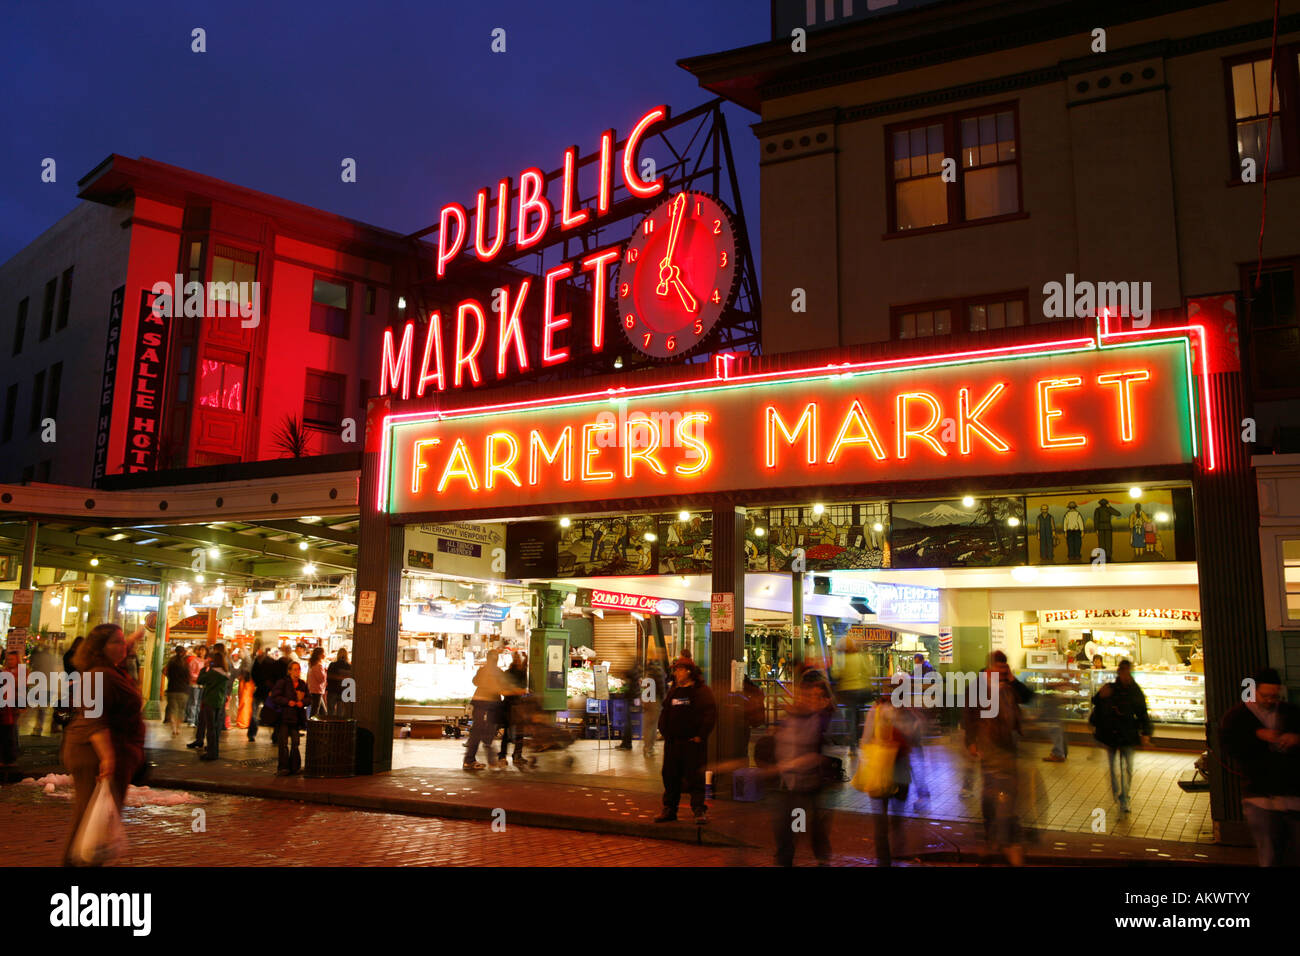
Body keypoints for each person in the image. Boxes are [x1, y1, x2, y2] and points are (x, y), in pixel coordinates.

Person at [61, 623, 146, 866]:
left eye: (123, 642)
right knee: (90, 818)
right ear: (101, 648)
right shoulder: (100, 675)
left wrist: (132, 638)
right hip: (93, 754)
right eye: (116, 642)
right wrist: (108, 757)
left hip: (115, 750)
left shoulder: (109, 669)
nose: (123, 647)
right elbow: (95, 719)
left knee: (100, 818)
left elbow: (120, 649)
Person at [1221, 668, 1300, 866]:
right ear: (1253, 691)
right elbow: (1230, 746)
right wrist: (1257, 736)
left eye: (1274, 696)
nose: (1270, 700)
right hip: (1259, 796)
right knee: (1270, 854)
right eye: (1265, 696)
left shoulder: (1290, 712)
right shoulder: (1237, 716)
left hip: (1292, 796)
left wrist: (1296, 739)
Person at [963, 651, 1033, 865]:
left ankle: (1002, 837)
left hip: (1008, 744)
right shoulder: (977, 686)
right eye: (999, 668)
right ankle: (997, 835)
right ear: (991, 666)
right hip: (989, 745)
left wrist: (1012, 679)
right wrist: (971, 741)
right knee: (993, 790)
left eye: (1005, 668)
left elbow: (1029, 698)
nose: (1002, 672)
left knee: (1005, 791)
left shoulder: (1008, 684)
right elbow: (969, 713)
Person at [772, 673, 835, 866]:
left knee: (805, 828)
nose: (811, 699)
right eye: (809, 695)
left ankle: (819, 857)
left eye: (818, 697)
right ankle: (789, 857)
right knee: (788, 830)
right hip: (791, 786)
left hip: (809, 787)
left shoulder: (822, 721)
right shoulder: (795, 717)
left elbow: (821, 755)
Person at [862, 679, 921, 866]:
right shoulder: (906, 715)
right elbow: (915, 744)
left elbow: (865, 739)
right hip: (896, 768)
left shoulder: (877, 710)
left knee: (882, 820)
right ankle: (891, 855)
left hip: (883, 768)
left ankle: (885, 859)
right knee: (894, 818)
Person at [656, 658, 717, 824]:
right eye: (675, 670)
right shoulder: (674, 691)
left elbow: (710, 715)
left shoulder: (701, 691)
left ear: (689, 671)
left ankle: (698, 810)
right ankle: (669, 809)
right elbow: (665, 713)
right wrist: (666, 733)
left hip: (692, 744)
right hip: (673, 744)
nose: (676, 673)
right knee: (670, 777)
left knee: (695, 778)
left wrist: (700, 736)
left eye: (679, 670)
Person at [1090, 659, 1152, 815]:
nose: (1124, 674)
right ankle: (1120, 796)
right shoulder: (1111, 687)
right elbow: (1095, 701)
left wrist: (1146, 732)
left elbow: (1142, 712)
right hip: (1113, 733)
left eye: (1126, 670)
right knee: (1116, 769)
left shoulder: (1134, 690)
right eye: (1122, 670)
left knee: (1126, 769)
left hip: (1126, 734)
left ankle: (1123, 798)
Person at [464, 649, 504, 771]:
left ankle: (471, 759)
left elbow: (475, 682)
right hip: (491, 703)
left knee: (478, 730)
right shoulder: (498, 672)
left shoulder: (483, 670)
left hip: (480, 702)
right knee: (487, 732)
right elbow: (502, 687)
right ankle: (473, 760)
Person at [833, 630, 871, 751]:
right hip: (860, 690)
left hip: (846, 692)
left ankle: (852, 743)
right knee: (856, 715)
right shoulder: (859, 657)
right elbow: (868, 671)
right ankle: (855, 740)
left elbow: (836, 674)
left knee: (850, 715)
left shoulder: (842, 659)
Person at [270, 660, 309, 775]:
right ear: (290, 671)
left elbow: (308, 698)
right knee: (283, 742)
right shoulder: (283, 682)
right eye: (295, 669)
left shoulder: (302, 684)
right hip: (284, 716)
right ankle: (283, 767)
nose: (298, 671)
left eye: (299, 669)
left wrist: (303, 702)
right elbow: (275, 697)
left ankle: (295, 766)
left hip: (296, 717)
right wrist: (287, 702)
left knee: (295, 742)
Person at [195, 647, 230, 761]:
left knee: (210, 728)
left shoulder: (213, 672)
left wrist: (204, 669)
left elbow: (200, 680)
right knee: (215, 727)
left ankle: (211, 753)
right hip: (219, 702)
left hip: (210, 701)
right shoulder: (225, 673)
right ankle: (214, 751)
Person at [498, 651, 529, 768]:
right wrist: (517, 691)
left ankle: (503, 756)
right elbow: (523, 689)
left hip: (508, 704)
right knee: (518, 732)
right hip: (516, 704)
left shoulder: (509, 673)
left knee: (507, 733)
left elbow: (503, 690)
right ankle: (516, 756)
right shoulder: (521, 673)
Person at [1, 650, 23, 781]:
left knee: (10, 730)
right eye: (8, 659)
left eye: (12, 659)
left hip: (11, 704)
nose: (10, 662)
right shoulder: (4, 672)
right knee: (7, 731)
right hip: (6, 706)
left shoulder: (20, 672)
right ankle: (8, 757)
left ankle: (11, 756)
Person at [28, 641, 58, 737]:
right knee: (42, 707)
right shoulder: (50, 657)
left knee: (41, 707)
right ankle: (41, 726)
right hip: (46, 685)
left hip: (42, 685)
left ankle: (38, 727)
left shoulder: (39, 658)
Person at [249, 644, 276, 741]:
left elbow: (253, 674)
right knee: (264, 712)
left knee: (257, 712)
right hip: (264, 691)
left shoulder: (263, 662)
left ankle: (252, 733)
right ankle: (274, 735)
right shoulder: (268, 662)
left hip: (263, 691)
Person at [643, 650, 667, 757]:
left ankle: (648, 748)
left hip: (647, 698)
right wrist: (663, 698)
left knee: (648, 725)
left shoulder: (648, 668)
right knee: (652, 726)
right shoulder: (657, 668)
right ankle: (649, 749)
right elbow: (661, 685)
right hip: (654, 699)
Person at [164, 644, 191, 738]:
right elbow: (188, 677)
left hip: (172, 689)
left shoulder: (171, 662)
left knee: (173, 710)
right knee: (181, 710)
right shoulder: (185, 664)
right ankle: (178, 728)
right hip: (183, 690)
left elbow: (165, 671)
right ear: (183, 653)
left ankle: (173, 728)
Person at [326, 648, 352, 718]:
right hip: (343, 692)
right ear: (347, 656)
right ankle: (339, 727)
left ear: (338, 655)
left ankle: (331, 727)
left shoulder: (332, 665)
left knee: (331, 712)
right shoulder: (349, 667)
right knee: (340, 713)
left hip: (332, 690)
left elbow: (328, 678)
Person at [1092, 498, 1121, 562]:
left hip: (1100, 527)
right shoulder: (1108, 509)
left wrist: (1096, 529)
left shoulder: (1097, 510)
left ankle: (1102, 556)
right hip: (1108, 527)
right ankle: (1108, 556)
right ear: (1107, 504)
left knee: (1101, 542)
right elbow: (1118, 513)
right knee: (1109, 542)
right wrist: (1110, 507)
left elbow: (1096, 520)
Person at [185, 645, 205, 726]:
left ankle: (197, 720)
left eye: (204, 650)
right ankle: (191, 720)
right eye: (201, 650)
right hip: (195, 684)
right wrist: (200, 677)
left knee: (200, 703)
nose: (202, 652)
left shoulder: (206, 661)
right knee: (194, 702)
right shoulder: (194, 661)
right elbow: (190, 672)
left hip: (203, 685)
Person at [306, 648, 327, 718]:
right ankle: (312, 726)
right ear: (320, 655)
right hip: (317, 690)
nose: (325, 655)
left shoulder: (312, 664)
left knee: (322, 711)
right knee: (315, 711)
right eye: (323, 653)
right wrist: (325, 672)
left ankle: (320, 725)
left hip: (313, 689)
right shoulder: (318, 666)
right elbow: (321, 679)